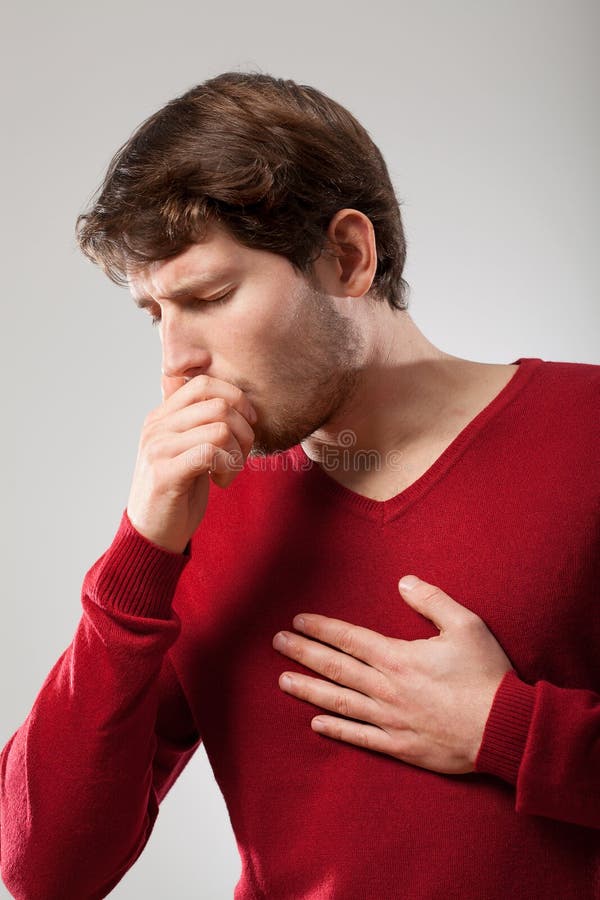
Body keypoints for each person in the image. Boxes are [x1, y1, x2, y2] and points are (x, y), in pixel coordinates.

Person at [1, 71, 598, 900]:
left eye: (208, 296)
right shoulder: (201, 513)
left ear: (348, 257)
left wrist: (510, 732)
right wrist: (140, 551)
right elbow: (46, 871)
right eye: (154, 313)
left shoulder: (587, 434)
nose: (175, 362)